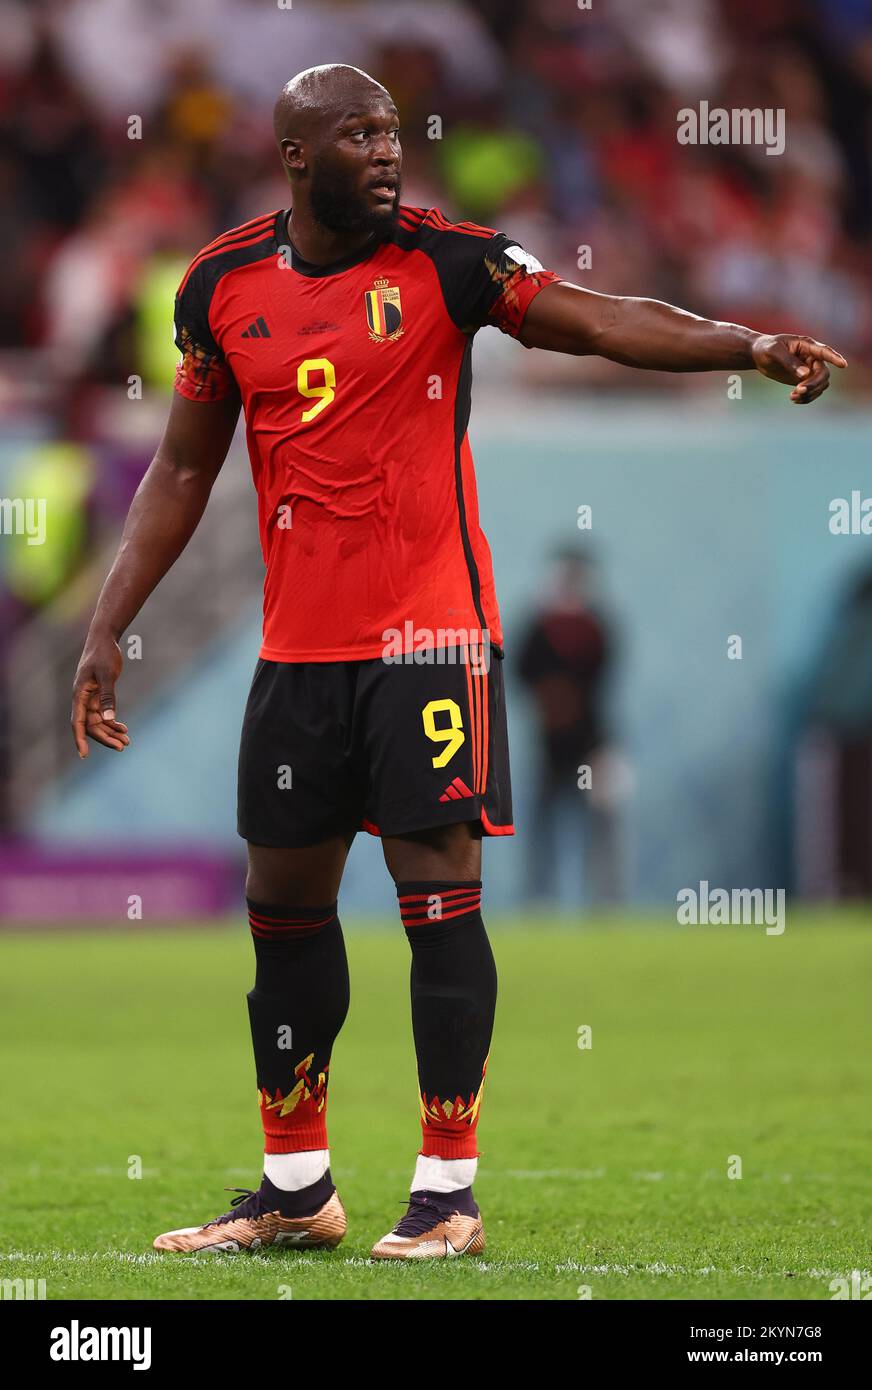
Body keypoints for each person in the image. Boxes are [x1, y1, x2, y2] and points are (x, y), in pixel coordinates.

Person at [71, 63, 845, 1262]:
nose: (389, 152)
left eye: (392, 131)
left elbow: (597, 316)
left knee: (437, 900)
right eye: (359, 134)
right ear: (295, 155)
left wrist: (742, 343)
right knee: (282, 913)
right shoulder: (220, 285)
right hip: (296, 655)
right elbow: (180, 468)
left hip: (429, 638)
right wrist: (107, 623)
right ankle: (294, 1183)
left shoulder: (450, 261)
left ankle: (446, 1188)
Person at [518, 548, 619, 906]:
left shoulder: (595, 628)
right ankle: (539, 900)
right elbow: (521, 673)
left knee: (602, 826)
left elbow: (602, 677)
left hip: (592, 745)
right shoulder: (540, 629)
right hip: (550, 747)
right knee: (543, 827)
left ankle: (605, 902)